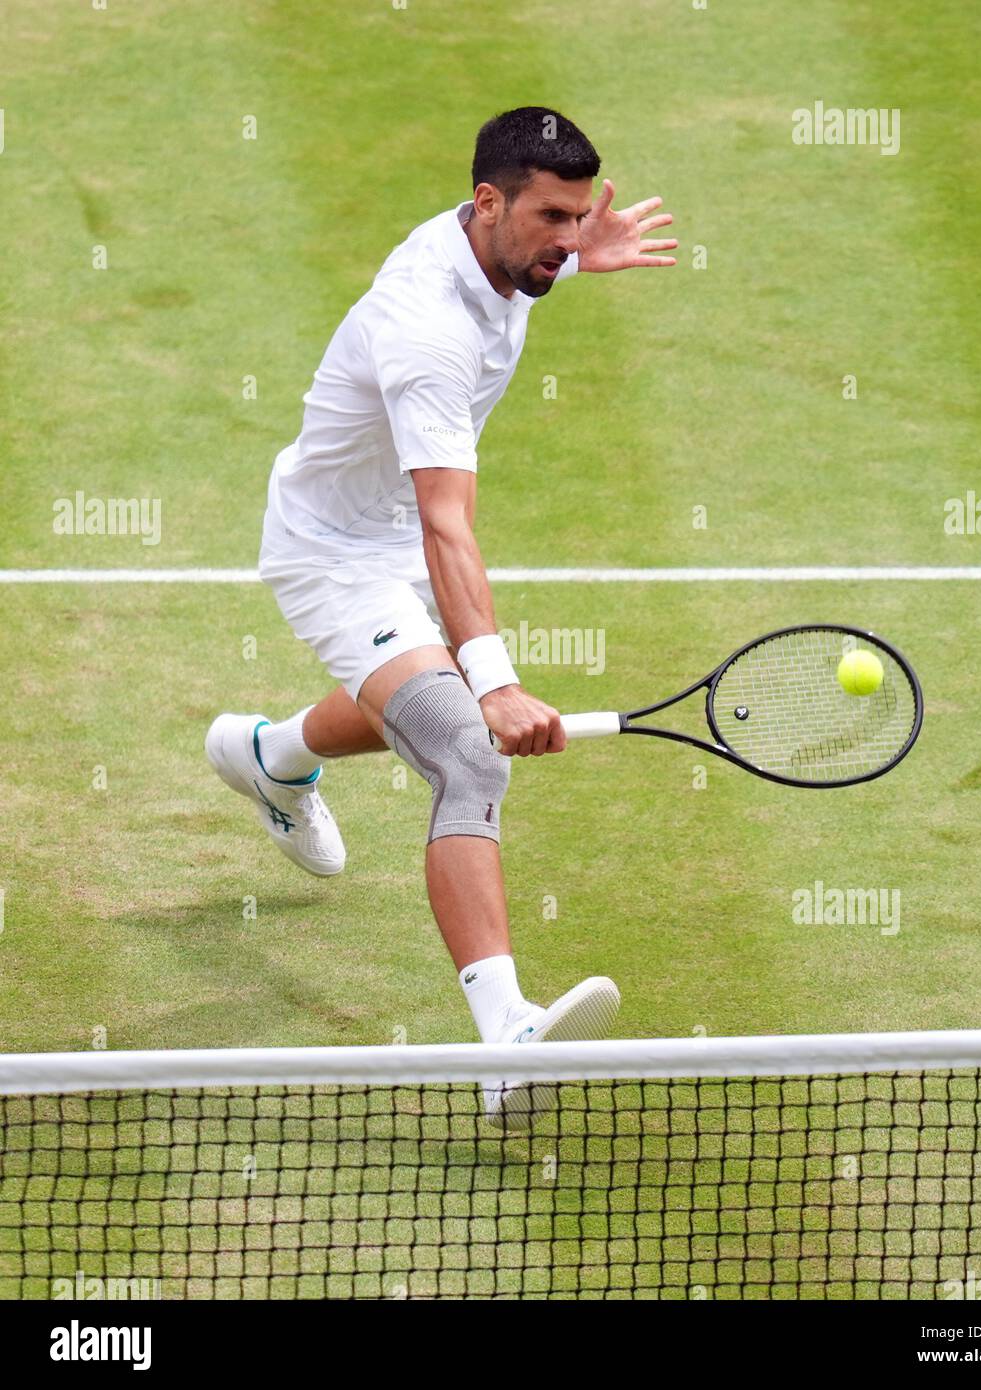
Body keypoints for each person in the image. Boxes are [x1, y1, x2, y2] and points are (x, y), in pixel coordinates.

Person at [206, 107, 676, 1126]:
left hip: (380, 541)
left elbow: (537, 254)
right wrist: (495, 682)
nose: (565, 234)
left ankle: (272, 755)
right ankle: (506, 1034)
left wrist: (576, 255)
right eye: (550, 216)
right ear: (487, 203)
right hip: (336, 558)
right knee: (468, 748)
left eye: (577, 214)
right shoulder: (425, 328)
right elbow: (444, 526)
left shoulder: (509, 252)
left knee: (413, 697)